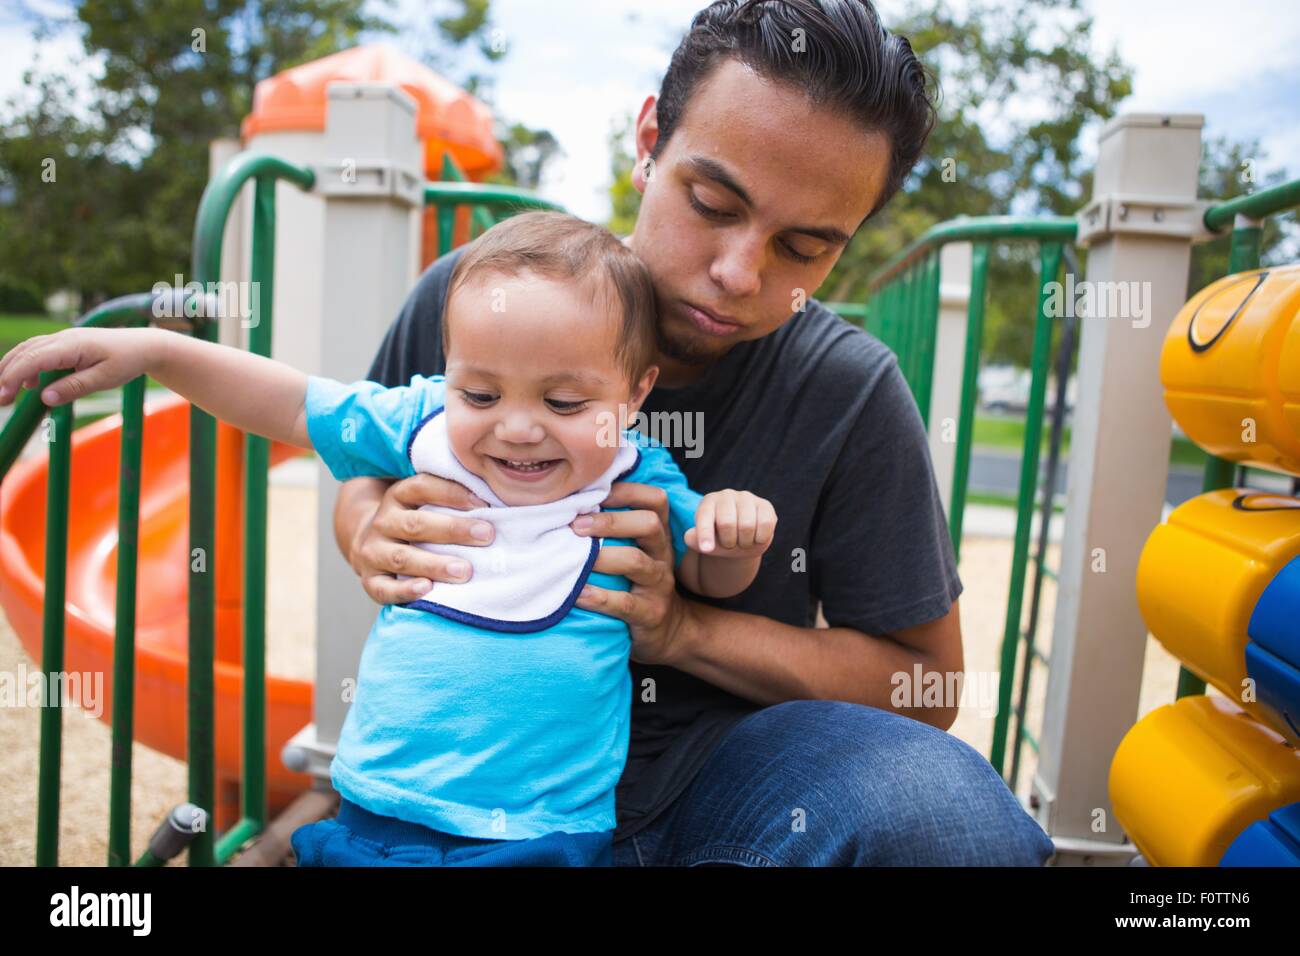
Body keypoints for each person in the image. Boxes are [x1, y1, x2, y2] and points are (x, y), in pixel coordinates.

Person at [338, 0, 1057, 866]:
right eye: (713, 203)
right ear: (649, 141)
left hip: (723, 783)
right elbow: (365, 473)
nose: (737, 275)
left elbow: (929, 682)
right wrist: (370, 532)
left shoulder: (850, 389)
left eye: (805, 247)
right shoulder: (483, 299)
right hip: (462, 784)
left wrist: (683, 631)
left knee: (950, 820)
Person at [0, 211, 778, 867]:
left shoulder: (638, 472)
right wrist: (160, 353)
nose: (516, 426)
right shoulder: (422, 423)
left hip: (541, 830)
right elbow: (289, 402)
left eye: (567, 401)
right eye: (480, 391)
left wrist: (731, 541)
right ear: (447, 375)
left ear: (636, 392)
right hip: (377, 804)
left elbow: (707, 580)